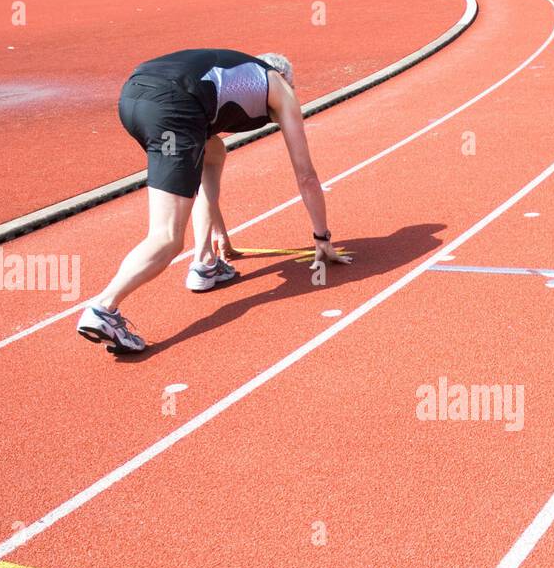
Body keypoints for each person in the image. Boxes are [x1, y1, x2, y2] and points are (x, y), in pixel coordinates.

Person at [78, 49, 350, 353]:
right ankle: (104, 307)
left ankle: (206, 261)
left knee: (213, 152)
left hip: (133, 98)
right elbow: (307, 176)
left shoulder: (234, 73)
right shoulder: (280, 87)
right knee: (167, 237)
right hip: (173, 108)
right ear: (286, 78)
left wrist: (221, 233)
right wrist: (321, 237)